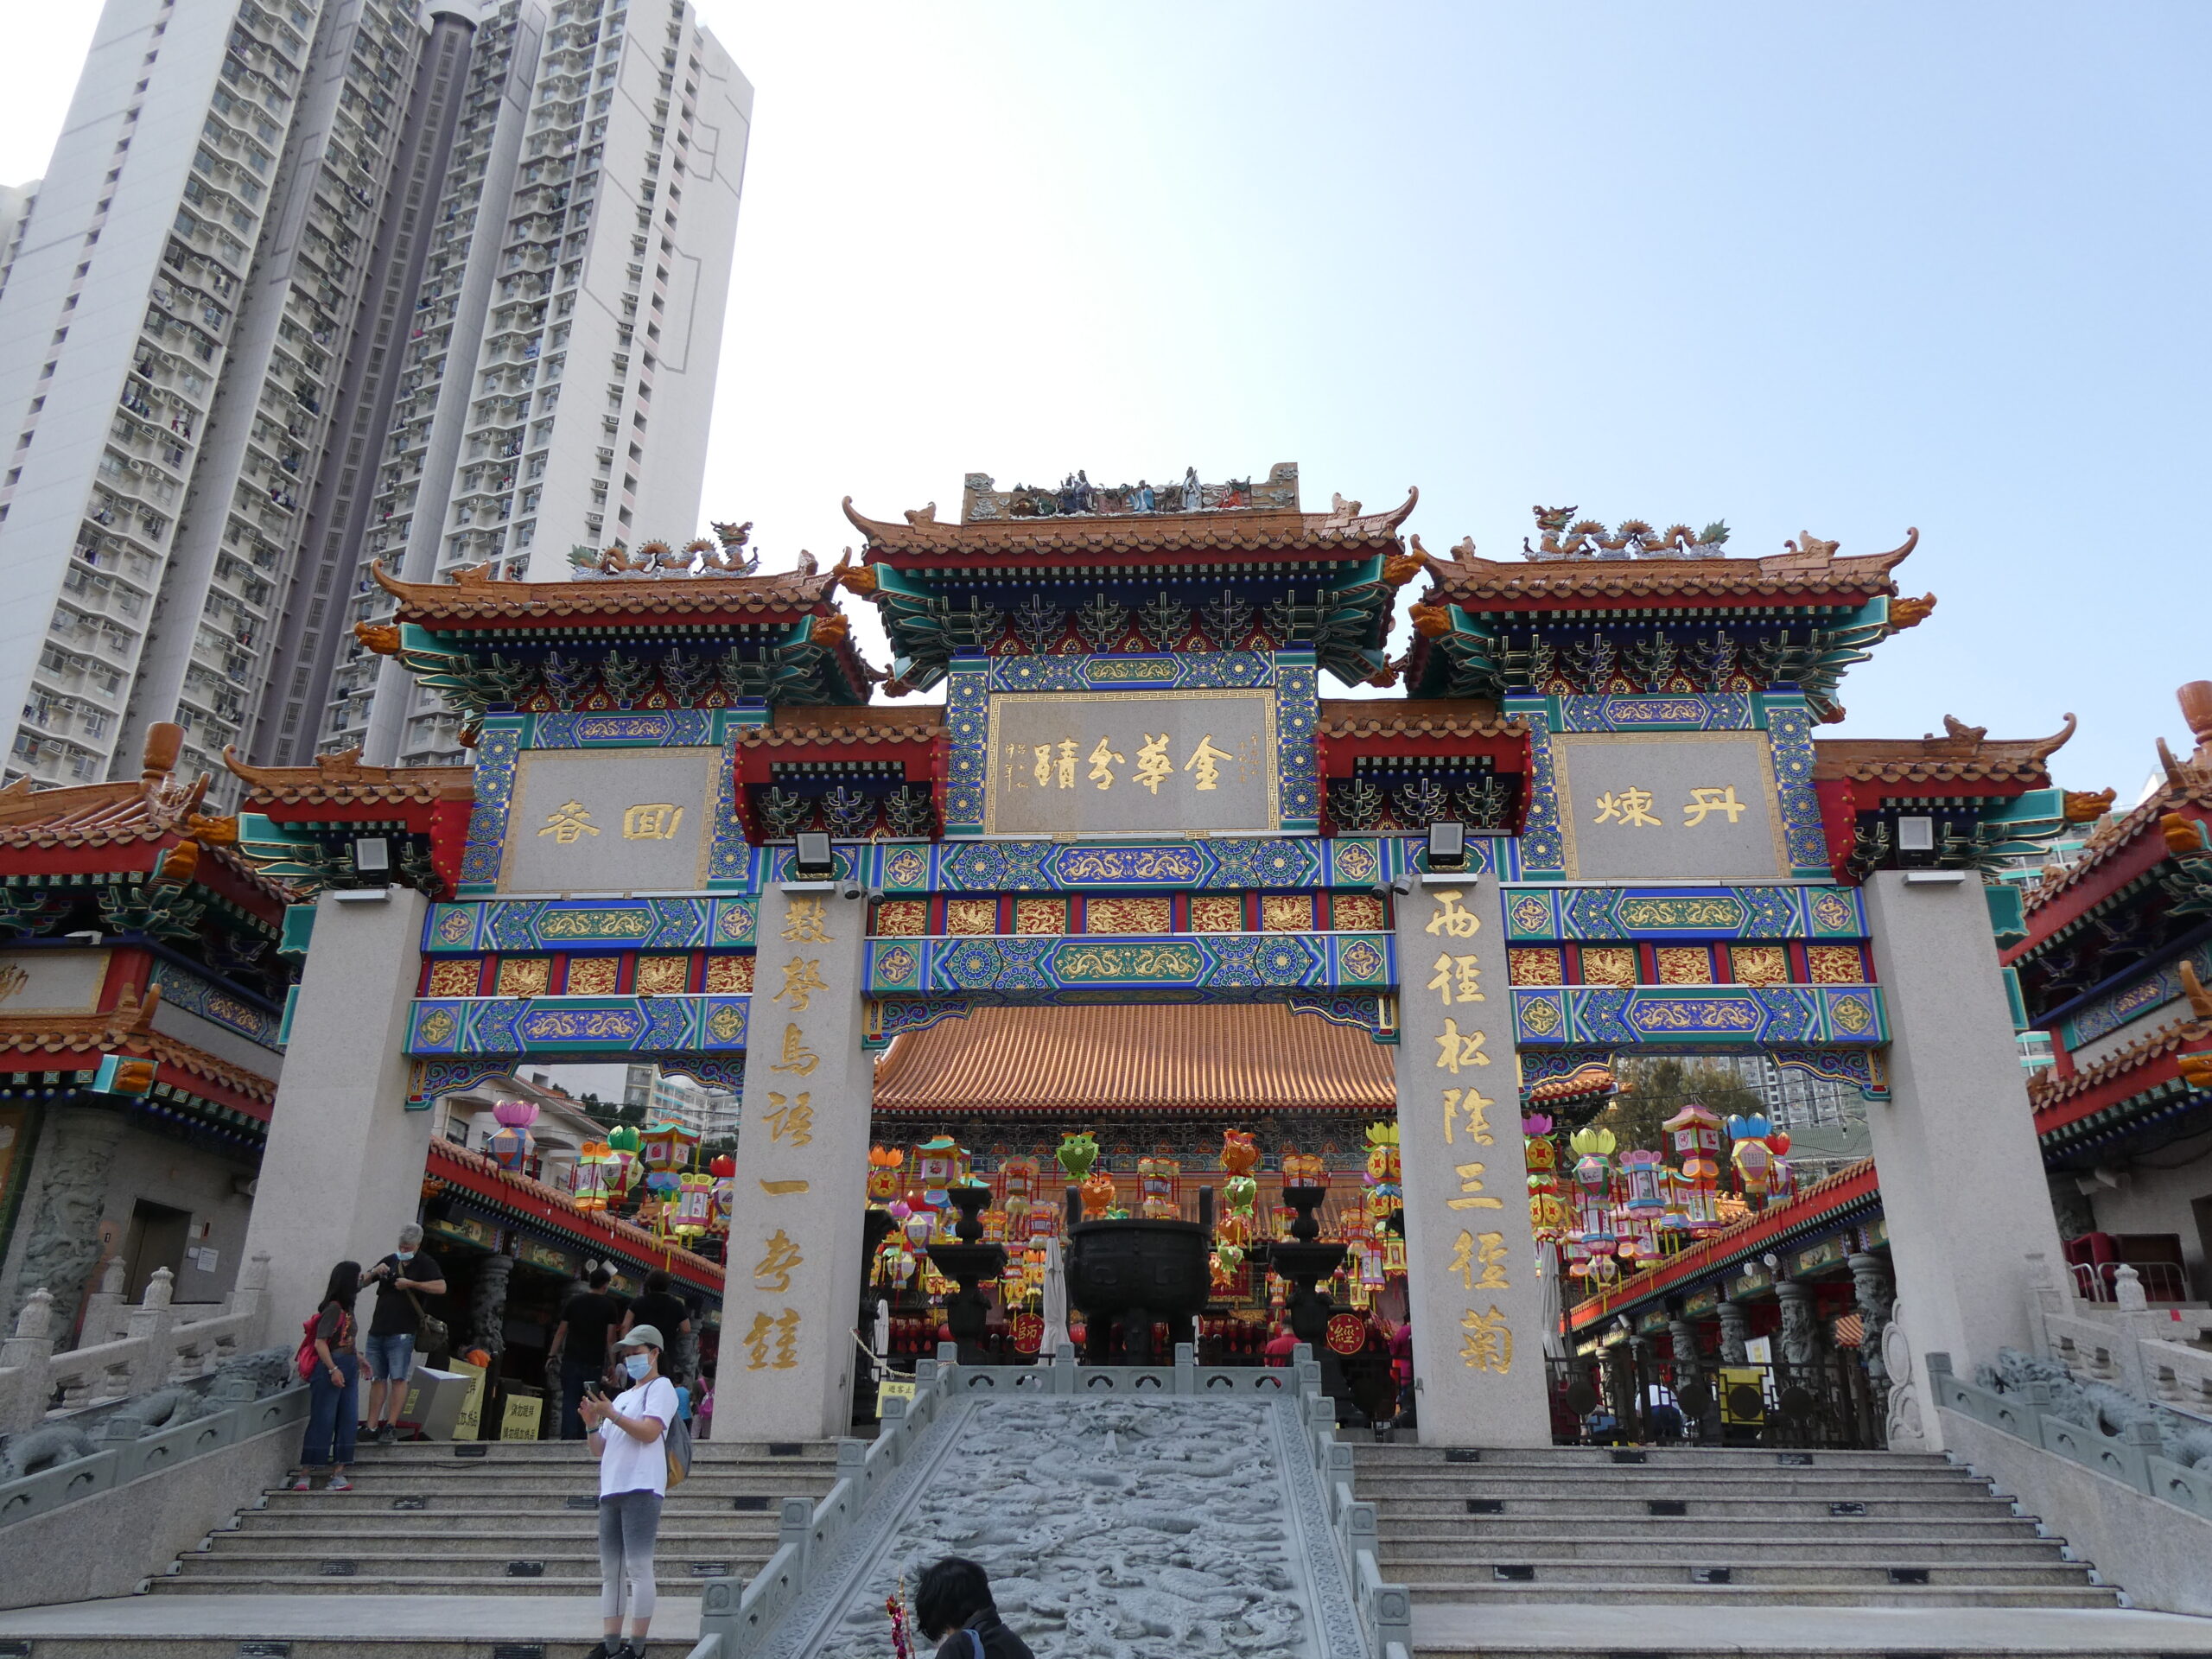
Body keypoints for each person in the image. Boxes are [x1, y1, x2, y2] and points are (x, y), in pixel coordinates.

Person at [582, 1324, 678, 1659]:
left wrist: (611, 1415)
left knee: (638, 1567)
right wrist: (594, 1422)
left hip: (642, 1485)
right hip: (612, 1487)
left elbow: (650, 1432)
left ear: (654, 1354)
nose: (631, 1359)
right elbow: (599, 1449)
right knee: (611, 1572)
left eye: (637, 1353)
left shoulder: (662, 1387)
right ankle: (610, 1643)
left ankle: (636, 1647)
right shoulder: (622, 1396)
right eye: (627, 1354)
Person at [362, 1223, 446, 1446]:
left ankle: (390, 1424)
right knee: (377, 1378)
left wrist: (412, 1283)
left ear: (418, 1245)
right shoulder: (390, 1260)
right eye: (402, 1245)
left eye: (408, 1246)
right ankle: (371, 1426)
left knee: (398, 1378)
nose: (404, 1249)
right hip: (378, 1328)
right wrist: (374, 1272)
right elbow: (360, 1283)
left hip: (403, 1331)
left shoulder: (425, 1263)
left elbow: (441, 1287)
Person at [294, 1261, 363, 1492]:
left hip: (349, 1364)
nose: (358, 1282)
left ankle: (339, 1472)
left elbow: (347, 1340)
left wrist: (360, 1359)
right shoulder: (333, 1309)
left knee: (348, 1418)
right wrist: (333, 1369)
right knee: (323, 1418)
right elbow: (320, 1342)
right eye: (356, 1278)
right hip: (331, 1365)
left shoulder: (347, 1309)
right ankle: (306, 1472)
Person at [551, 1267, 626, 1440]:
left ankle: (567, 1438)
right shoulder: (609, 1306)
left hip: (571, 1359)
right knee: (590, 1400)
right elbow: (610, 1339)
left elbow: (561, 1331)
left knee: (569, 1399)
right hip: (594, 1362)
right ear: (605, 1286)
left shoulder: (574, 1301)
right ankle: (584, 1436)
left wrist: (551, 1354)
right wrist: (614, 1365)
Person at [915, 1556, 1033, 1659]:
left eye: (945, 1629)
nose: (948, 1636)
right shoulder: (1018, 1646)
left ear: (945, 1612)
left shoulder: (959, 1647)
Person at [618, 1269, 693, 1370]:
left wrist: (626, 1348)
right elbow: (686, 1328)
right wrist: (674, 1335)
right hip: (665, 1351)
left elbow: (625, 1326)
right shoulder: (676, 1305)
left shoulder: (638, 1302)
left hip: (640, 1349)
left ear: (649, 1285)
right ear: (667, 1285)